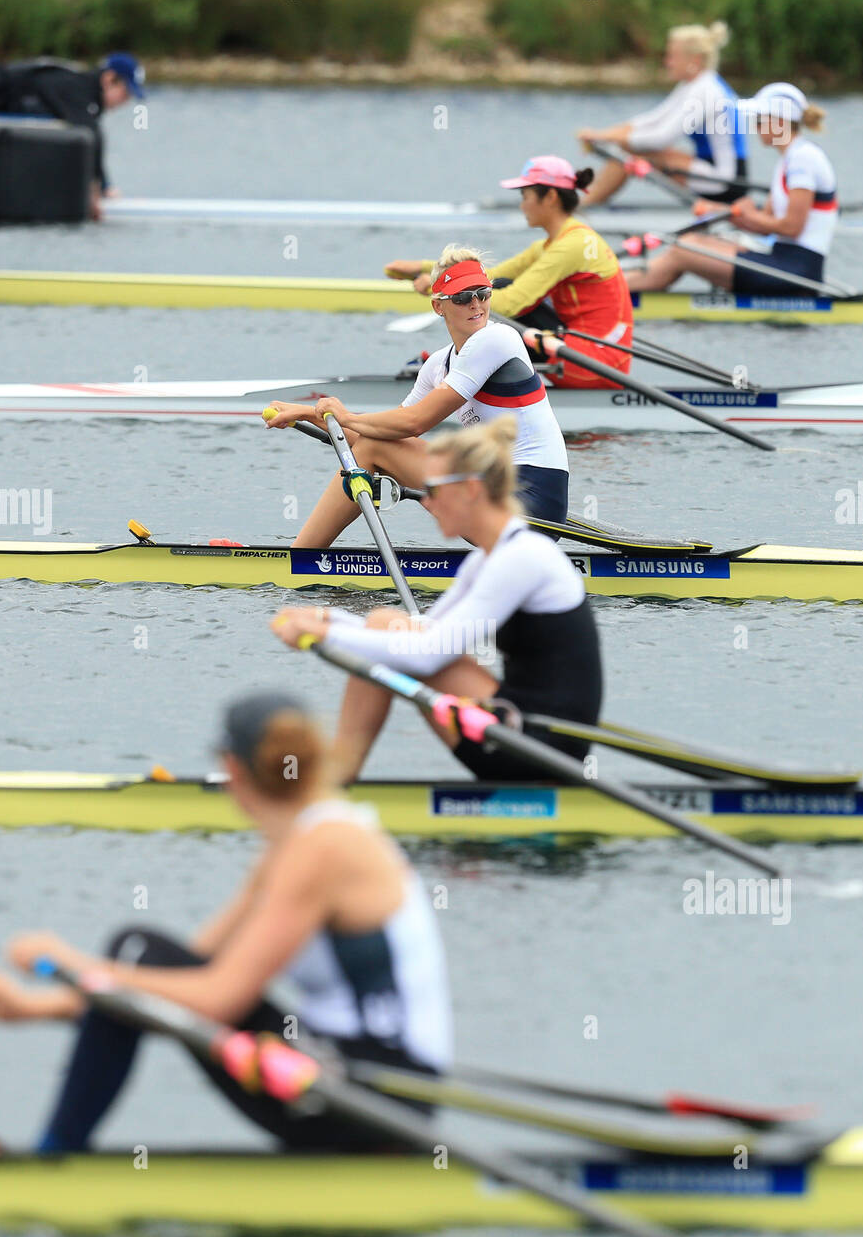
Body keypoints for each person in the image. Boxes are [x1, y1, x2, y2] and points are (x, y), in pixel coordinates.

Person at [0, 694, 452, 1153]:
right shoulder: (292, 847)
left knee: (133, 946)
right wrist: (36, 1006)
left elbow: (221, 998)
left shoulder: (324, 849)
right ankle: (55, 1153)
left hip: (380, 1101)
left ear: (232, 770)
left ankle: (53, 1160)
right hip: (336, 1072)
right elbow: (177, 985)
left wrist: (76, 964)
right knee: (138, 952)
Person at [270, 418, 603, 785]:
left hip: (539, 751)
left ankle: (336, 778)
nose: (425, 501)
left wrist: (324, 634)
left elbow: (426, 655)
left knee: (395, 637)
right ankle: (340, 772)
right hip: (515, 725)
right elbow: (428, 633)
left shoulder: (521, 559)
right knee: (386, 622)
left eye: (433, 489)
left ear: (472, 490)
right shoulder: (490, 557)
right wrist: (326, 617)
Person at [264, 246, 571, 546]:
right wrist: (308, 413)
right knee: (375, 445)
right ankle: (303, 557)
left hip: (530, 507)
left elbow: (413, 423)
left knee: (376, 445)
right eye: (463, 297)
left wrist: (343, 416)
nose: (476, 304)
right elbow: (374, 440)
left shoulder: (498, 338)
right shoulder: (438, 364)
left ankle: (300, 558)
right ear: (439, 306)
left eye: (483, 293)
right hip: (496, 496)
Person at [385, 156, 634, 388]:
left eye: (525, 195)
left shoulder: (573, 245)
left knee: (496, 293)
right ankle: (460, 367)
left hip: (597, 363)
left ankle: (455, 370)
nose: (522, 204)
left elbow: (512, 304)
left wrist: (439, 291)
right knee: (496, 283)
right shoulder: (560, 241)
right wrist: (424, 268)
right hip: (580, 350)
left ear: (550, 197)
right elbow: (488, 273)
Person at [623, 83, 836, 297]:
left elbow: (791, 227)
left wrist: (748, 214)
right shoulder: (788, 160)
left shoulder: (804, 159)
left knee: (683, 249)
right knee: (690, 244)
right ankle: (620, 289)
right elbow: (765, 225)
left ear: (779, 121)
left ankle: (615, 292)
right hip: (782, 263)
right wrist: (720, 210)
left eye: (760, 120)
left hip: (796, 272)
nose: (755, 126)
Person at [0, 52, 145, 218]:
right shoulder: (78, 88)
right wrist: (102, 188)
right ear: (109, 79)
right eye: (125, 93)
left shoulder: (82, 94)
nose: (124, 103)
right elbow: (89, 134)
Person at [576, 22, 747, 207]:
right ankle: (586, 205)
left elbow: (661, 138)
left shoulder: (706, 91)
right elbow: (652, 120)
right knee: (628, 150)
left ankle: (583, 208)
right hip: (709, 170)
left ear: (695, 60)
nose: (667, 62)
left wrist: (608, 138)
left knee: (629, 154)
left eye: (673, 56)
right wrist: (603, 134)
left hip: (726, 182)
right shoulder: (694, 85)